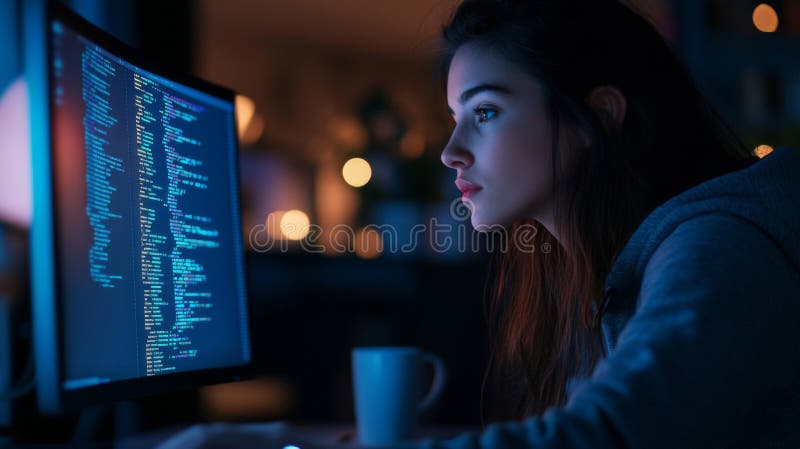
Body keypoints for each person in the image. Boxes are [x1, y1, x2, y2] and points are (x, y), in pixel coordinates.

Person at [158, 0, 800, 447]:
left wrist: (281, 443)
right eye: (454, 117)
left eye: (485, 112)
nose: (450, 151)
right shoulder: (588, 265)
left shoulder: (720, 243)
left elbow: (612, 437)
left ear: (598, 115)